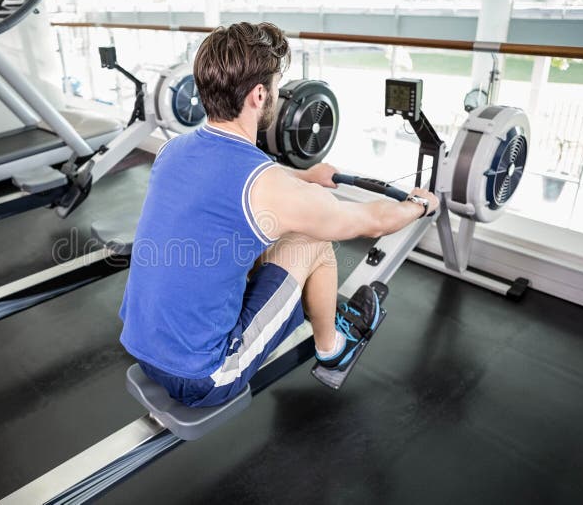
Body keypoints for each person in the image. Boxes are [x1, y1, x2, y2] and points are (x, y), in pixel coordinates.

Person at [119, 22, 439, 408]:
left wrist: (305, 177)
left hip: (138, 343)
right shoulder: (267, 184)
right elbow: (369, 222)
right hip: (205, 375)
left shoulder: (174, 150)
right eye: (274, 87)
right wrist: (419, 205)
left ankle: (304, 308)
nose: (276, 95)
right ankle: (332, 348)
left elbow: (236, 183)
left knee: (243, 235)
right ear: (258, 95)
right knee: (315, 242)